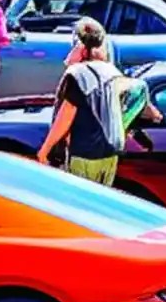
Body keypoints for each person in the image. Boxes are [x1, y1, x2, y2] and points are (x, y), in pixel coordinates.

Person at [37, 18, 127, 185]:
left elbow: (66, 116)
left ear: (81, 46)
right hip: (110, 153)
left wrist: (45, 149)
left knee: (78, 197)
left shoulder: (78, 75)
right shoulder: (112, 71)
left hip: (85, 154)